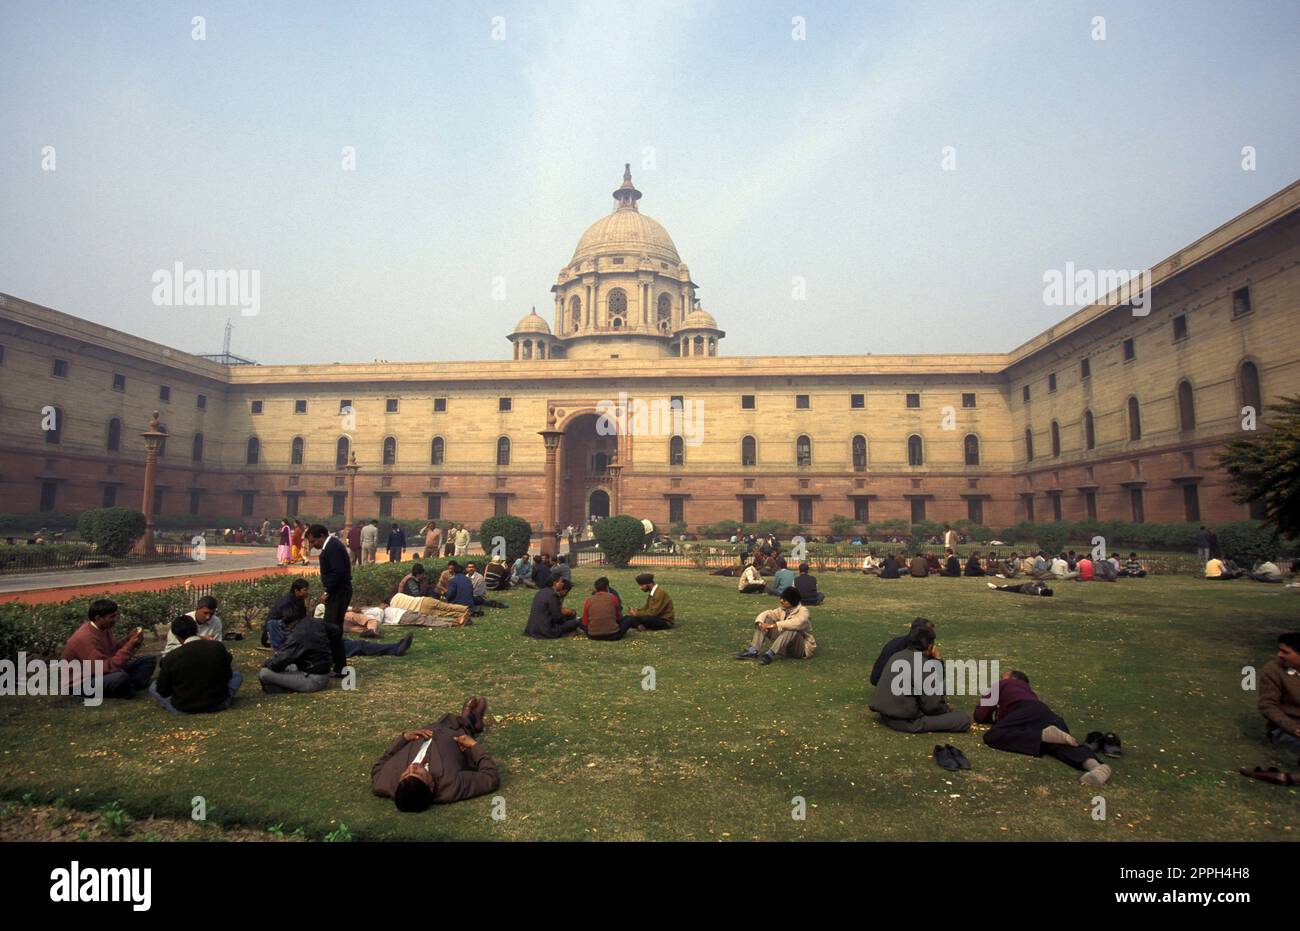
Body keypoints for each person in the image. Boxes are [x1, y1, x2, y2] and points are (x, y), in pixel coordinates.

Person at [974, 670, 1113, 786]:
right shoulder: (1031, 693)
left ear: (1011, 677)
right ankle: (1096, 767)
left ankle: (1042, 734)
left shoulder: (1002, 684)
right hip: (1047, 714)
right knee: (1057, 744)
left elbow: (980, 715)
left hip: (1022, 711)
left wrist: (993, 717)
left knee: (993, 736)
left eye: (1003, 676)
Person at [370, 697, 498, 810]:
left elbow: (378, 768)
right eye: (417, 773)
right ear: (431, 787)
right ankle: (471, 720)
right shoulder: (451, 786)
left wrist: (403, 739)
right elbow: (490, 778)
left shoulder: (385, 784)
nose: (411, 768)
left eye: (406, 774)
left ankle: (468, 720)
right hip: (454, 738)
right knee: (459, 726)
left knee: (443, 722)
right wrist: (473, 746)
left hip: (428, 732)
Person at [868, 626, 971, 733]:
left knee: (941, 689)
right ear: (930, 647)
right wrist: (937, 660)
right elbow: (933, 707)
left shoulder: (897, 655)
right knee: (963, 720)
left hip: (884, 714)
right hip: (906, 721)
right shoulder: (925, 665)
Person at [61, 598, 157, 699]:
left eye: (116, 615)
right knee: (120, 676)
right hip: (82, 682)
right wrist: (130, 645)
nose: (115, 619)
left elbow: (113, 650)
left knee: (148, 660)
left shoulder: (103, 628)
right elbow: (107, 667)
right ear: (98, 618)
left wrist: (129, 639)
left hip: (101, 671)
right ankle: (125, 687)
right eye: (112, 617)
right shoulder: (85, 638)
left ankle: (128, 686)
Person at [150, 615, 242, 714]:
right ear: (196, 629)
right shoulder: (217, 647)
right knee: (237, 676)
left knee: (153, 686)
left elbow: (163, 691)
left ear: (177, 636)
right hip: (218, 703)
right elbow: (228, 675)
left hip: (185, 708)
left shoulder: (171, 657)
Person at [258, 609, 336, 694]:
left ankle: (282, 689)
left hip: (313, 679)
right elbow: (336, 630)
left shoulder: (297, 635)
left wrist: (267, 663)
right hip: (324, 672)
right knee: (290, 666)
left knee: (264, 673)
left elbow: (278, 663)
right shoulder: (314, 622)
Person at [305, 524, 350, 674]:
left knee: (333, 629)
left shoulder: (333, 547)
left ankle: (339, 667)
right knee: (332, 629)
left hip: (339, 592)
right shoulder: (330, 546)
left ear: (321, 536)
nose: (312, 545)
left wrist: (328, 590)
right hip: (336, 591)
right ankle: (336, 664)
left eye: (313, 541)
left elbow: (339, 572)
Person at [734, 586, 816, 664]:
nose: (781, 601)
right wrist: (760, 623)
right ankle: (753, 650)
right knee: (766, 619)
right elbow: (767, 613)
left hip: (801, 649)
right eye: (781, 598)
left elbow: (798, 623)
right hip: (785, 647)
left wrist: (773, 625)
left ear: (792, 601)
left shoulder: (803, 611)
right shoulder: (783, 609)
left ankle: (770, 654)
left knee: (791, 628)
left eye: (785, 600)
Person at [1257, 632, 1300, 760]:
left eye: (1285, 652)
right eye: (1279, 650)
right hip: (1285, 730)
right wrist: (1295, 729)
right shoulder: (1273, 670)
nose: (1279, 655)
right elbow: (1267, 706)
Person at [313, 604, 413, 657]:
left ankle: (395, 646)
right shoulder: (319, 615)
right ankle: (395, 649)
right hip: (327, 647)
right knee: (361, 646)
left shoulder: (313, 624)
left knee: (357, 644)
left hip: (329, 641)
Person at [870, 618, 935, 686]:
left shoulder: (917, 645)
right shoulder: (899, 647)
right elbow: (876, 678)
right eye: (930, 633)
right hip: (888, 684)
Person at [264, 578, 310, 649]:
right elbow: (288, 621)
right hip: (276, 628)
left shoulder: (299, 599)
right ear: (296, 590)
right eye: (305, 590)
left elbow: (302, 617)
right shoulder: (287, 602)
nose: (307, 592)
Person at [987, 580, 1054, 596]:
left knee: (1009, 590)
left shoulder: (1034, 592)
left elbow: (1025, 591)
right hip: (1023, 585)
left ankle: (996, 587)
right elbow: (1041, 582)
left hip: (1021, 588)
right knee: (1010, 588)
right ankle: (1006, 586)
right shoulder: (1043, 587)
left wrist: (1032, 585)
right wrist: (1035, 584)